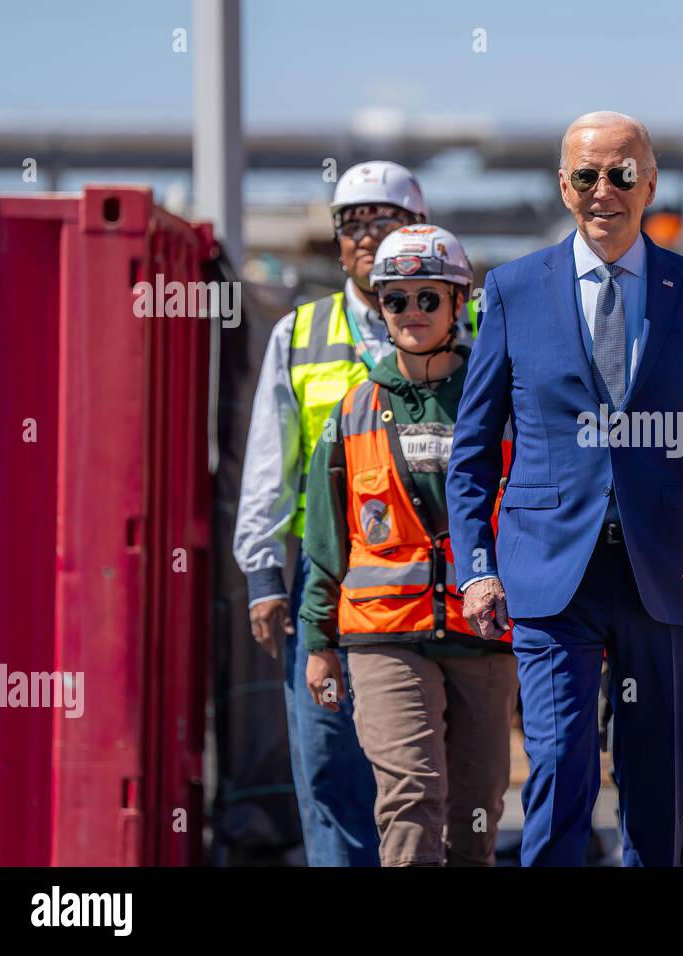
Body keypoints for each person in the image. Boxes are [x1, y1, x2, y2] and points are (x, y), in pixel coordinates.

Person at [446, 111, 683, 867]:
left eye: (622, 174)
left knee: (656, 791)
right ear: (564, 186)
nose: (605, 191)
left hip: (665, 573)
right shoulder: (511, 291)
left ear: (649, 182)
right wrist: (479, 566)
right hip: (550, 573)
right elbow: (472, 454)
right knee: (559, 771)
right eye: (587, 175)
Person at [298, 225, 517, 867]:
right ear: (381, 308)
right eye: (397, 299)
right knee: (410, 797)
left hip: (484, 633)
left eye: (430, 297)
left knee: (476, 814)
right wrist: (317, 643)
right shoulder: (353, 411)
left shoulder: (503, 402)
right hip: (384, 635)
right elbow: (326, 538)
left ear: (459, 302)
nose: (413, 312)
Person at [233, 161, 428, 866]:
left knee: (417, 777)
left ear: (420, 229)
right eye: (353, 223)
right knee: (328, 766)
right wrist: (262, 576)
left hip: (433, 587)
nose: (367, 236)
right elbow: (268, 462)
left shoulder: (465, 319)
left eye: (385, 220)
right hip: (329, 586)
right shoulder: (300, 332)